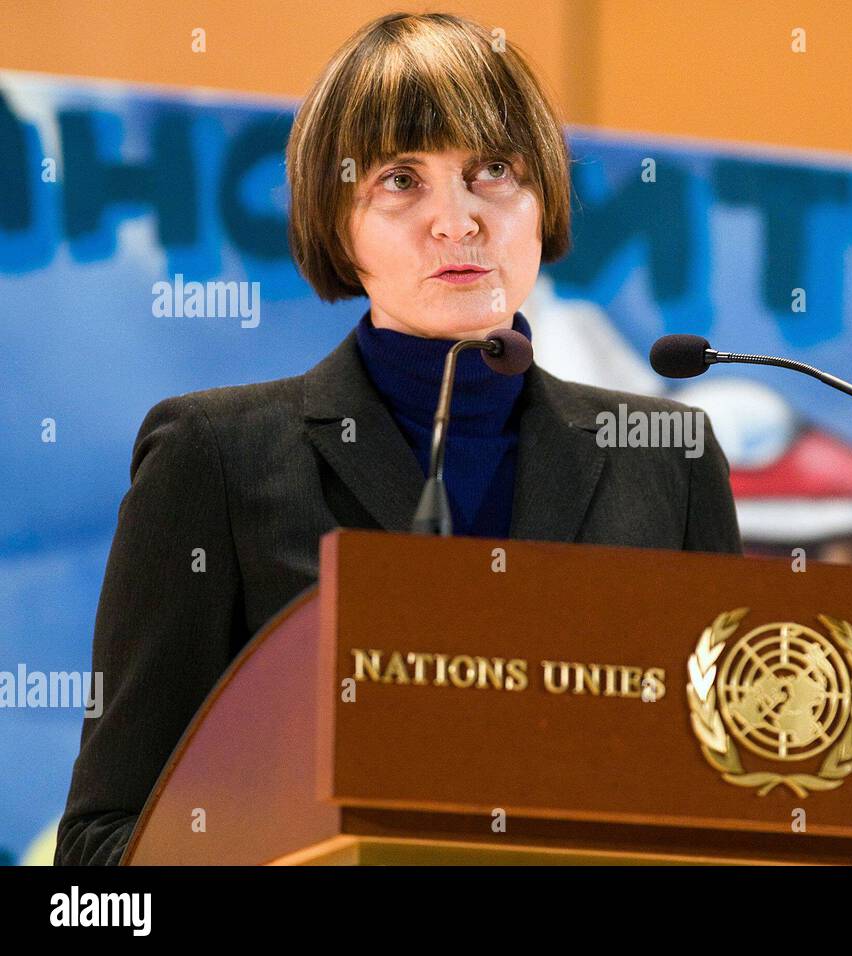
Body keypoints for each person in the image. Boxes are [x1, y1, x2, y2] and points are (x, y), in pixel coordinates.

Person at [55, 11, 741, 866]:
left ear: (542, 201)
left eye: (491, 170)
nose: (456, 222)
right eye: (400, 180)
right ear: (338, 224)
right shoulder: (216, 458)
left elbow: (727, 807)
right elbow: (97, 853)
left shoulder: (663, 456)